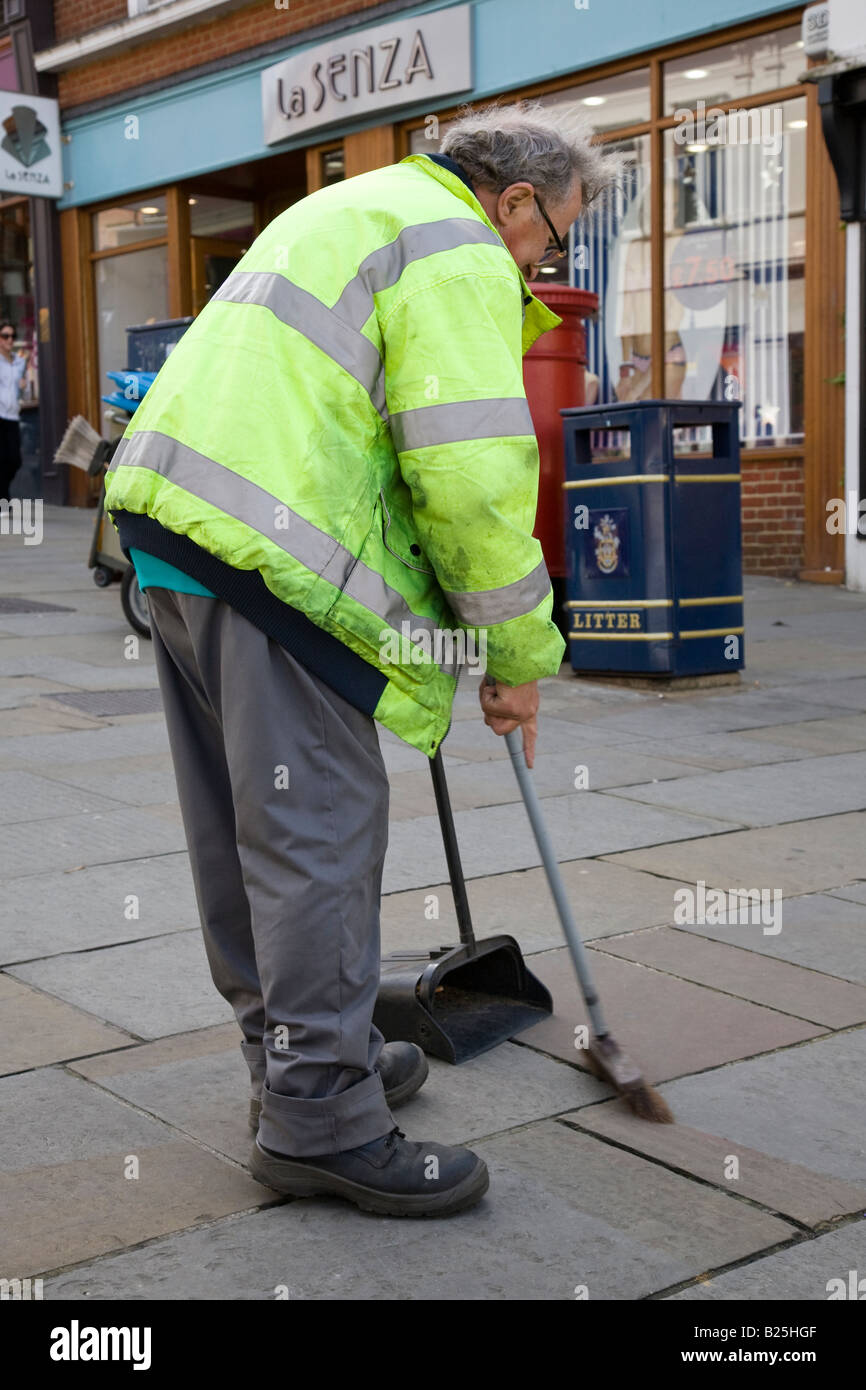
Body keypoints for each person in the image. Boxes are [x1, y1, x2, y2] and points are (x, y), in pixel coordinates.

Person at [103, 100, 619, 1218]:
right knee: (317, 835)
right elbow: (471, 478)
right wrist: (516, 653)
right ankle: (320, 1118)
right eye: (552, 235)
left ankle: (297, 1060)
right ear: (515, 200)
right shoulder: (456, 251)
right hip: (275, 553)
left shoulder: (357, 203)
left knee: (244, 829)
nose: (542, 264)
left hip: (180, 528)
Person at [0, 320, 30, 501]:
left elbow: (25, 394)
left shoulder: (20, 363)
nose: (10, 340)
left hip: (13, 416)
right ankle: (3, 499)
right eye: (5, 336)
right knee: (2, 459)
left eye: (12, 336)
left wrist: (24, 387)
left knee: (15, 460)